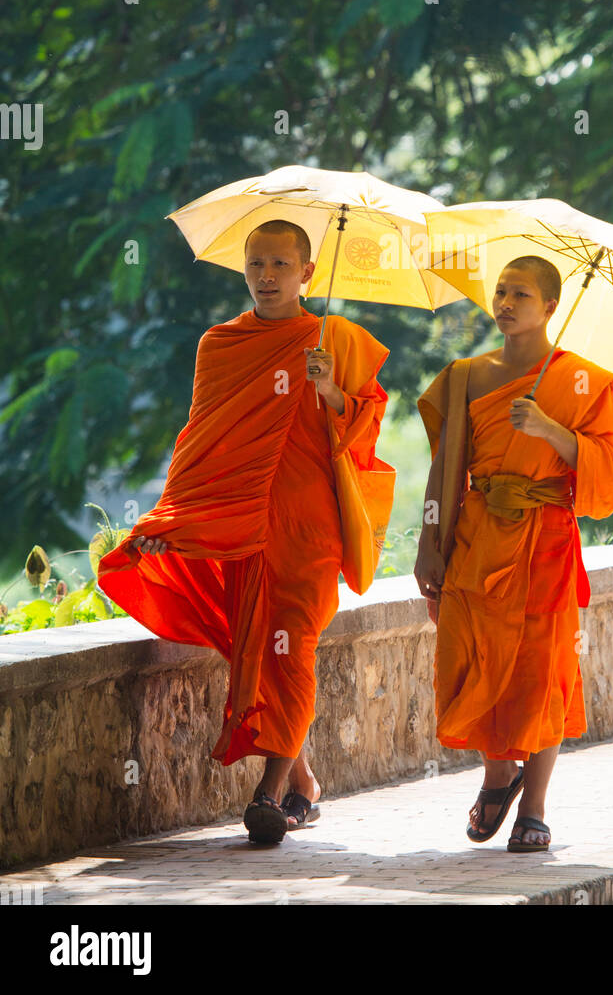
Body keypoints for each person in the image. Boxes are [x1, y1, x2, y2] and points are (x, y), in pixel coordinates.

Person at [98, 219, 394, 844]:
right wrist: (172, 522)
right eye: (256, 263)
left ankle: (267, 791)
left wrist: (331, 391)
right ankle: (302, 784)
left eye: (281, 265)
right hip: (243, 521)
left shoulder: (333, 339)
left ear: (307, 273)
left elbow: (367, 429)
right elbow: (201, 444)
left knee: (294, 646)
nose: (267, 275)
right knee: (263, 648)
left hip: (308, 522)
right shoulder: (221, 344)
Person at [414, 255, 613, 852]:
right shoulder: (467, 375)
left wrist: (550, 430)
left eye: (522, 294)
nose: (507, 303)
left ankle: (532, 807)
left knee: (541, 674)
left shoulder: (579, 379)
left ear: (551, 308)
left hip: (545, 542)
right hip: (476, 539)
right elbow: (444, 471)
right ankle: (496, 776)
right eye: (502, 292)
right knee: (469, 661)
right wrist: (428, 543)